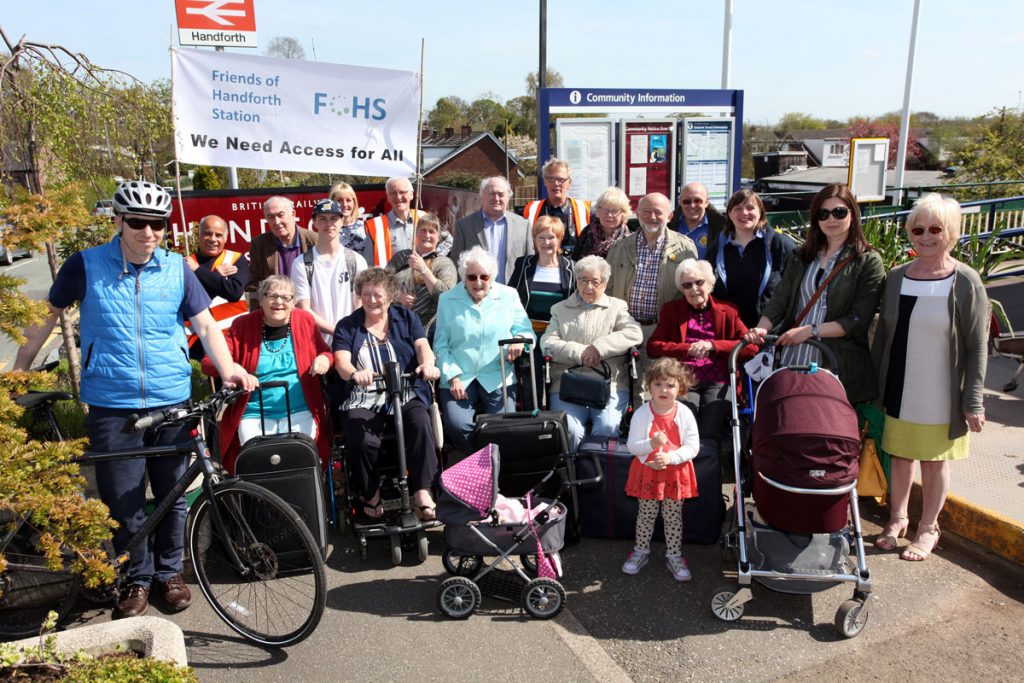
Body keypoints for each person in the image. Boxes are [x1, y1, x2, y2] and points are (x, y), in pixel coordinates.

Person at [14, 180, 257, 619]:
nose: (149, 232)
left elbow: (205, 325)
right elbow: (45, 318)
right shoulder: (85, 265)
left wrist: (229, 368)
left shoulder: (177, 268)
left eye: (158, 224)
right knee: (123, 501)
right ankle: (136, 577)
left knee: (172, 494)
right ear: (118, 222)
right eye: (139, 223)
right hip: (113, 403)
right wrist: (19, 370)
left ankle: (169, 573)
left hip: (171, 398)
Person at [871, 193, 988, 562]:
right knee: (900, 457)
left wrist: (972, 400)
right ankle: (898, 519)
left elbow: (977, 345)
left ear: (950, 232)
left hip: (941, 391)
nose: (925, 236)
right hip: (900, 386)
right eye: (917, 229)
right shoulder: (896, 278)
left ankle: (928, 528)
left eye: (935, 229)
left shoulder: (965, 281)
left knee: (935, 462)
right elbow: (883, 337)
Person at [743, 183, 884, 405]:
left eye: (839, 212)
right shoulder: (803, 256)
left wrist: (810, 331)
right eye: (823, 214)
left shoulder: (867, 262)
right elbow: (781, 299)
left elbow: (857, 320)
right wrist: (761, 328)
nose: (831, 219)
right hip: (794, 357)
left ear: (853, 214)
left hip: (835, 364)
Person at [332, 268, 441, 520]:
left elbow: (422, 346)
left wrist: (427, 365)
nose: (371, 300)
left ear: (390, 296)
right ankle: (370, 494)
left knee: (420, 423)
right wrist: (354, 373)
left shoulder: (407, 318)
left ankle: (422, 491)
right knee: (361, 439)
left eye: (377, 294)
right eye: (366, 294)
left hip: (404, 390)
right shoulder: (347, 326)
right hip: (364, 395)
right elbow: (341, 361)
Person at [201, 275, 333, 472]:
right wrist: (233, 368)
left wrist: (324, 359)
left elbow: (326, 352)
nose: (279, 302)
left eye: (286, 297)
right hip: (254, 412)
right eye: (272, 296)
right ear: (261, 299)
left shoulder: (305, 320)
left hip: (300, 409)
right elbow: (209, 362)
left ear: (293, 302)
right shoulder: (242, 325)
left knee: (299, 460)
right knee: (258, 462)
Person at [434, 246, 534, 453]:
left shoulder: (508, 295)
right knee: (457, 425)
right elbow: (440, 344)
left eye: (484, 277)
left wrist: (518, 340)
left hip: (497, 374)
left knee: (502, 426)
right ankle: (480, 460)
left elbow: (527, 332)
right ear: (463, 277)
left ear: (492, 277)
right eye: (471, 277)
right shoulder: (447, 299)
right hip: (459, 376)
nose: (478, 282)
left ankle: (491, 463)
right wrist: (452, 377)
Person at [541, 255, 643, 450]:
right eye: (583, 280)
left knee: (607, 427)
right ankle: (572, 468)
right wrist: (581, 353)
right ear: (576, 281)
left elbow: (634, 333)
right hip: (567, 384)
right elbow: (547, 342)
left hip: (610, 384)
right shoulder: (560, 309)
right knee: (570, 430)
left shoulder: (617, 307)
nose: (588, 286)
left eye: (595, 281)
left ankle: (596, 467)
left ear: (604, 284)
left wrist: (598, 348)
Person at [648, 259, 756, 440]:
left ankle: (708, 459)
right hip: (683, 380)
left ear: (709, 284)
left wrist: (713, 345)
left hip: (719, 380)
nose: (694, 289)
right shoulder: (671, 310)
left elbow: (750, 347)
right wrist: (687, 348)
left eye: (699, 282)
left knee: (710, 427)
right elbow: (653, 347)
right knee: (685, 422)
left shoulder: (729, 311)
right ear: (681, 289)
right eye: (687, 285)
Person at [621, 358, 700, 581]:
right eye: (658, 384)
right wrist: (651, 447)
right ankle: (640, 551)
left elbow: (693, 446)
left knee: (673, 517)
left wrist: (670, 457)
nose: (663, 390)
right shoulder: (641, 413)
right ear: (649, 386)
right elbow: (632, 446)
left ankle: (674, 555)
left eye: (670, 385)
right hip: (648, 472)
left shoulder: (684, 413)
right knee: (646, 515)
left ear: (680, 388)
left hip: (675, 473)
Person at [606, 192, 698, 372]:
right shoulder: (619, 247)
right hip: (624, 328)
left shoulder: (685, 248)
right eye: (646, 211)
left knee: (659, 382)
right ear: (637, 213)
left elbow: (693, 290)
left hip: (662, 331)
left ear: (669, 216)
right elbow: (607, 288)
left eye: (658, 212)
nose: (652, 217)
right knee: (626, 381)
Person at [705, 189, 796, 328]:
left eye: (750, 208)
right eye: (738, 208)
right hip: (728, 330)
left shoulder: (780, 245)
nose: (744, 213)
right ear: (729, 214)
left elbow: (793, 288)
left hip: (768, 331)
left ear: (760, 213)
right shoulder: (716, 248)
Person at [290, 198, 368, 345]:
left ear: (342, 221)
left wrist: (349, 333)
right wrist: (338, 331)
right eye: (322, 219)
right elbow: (303, 309)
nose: (329, 224)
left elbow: (361, 303)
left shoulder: (356, 260)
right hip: (316, 345)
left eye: (334, 218)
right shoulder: (301, 263)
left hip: (352, 342)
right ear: (314, 223)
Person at [185, 214, 250, 360]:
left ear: (225, 238)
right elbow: (187, 301)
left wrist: (199, 271)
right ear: (199, 235)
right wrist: (216, 276)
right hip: (198, 341)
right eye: (208, 234)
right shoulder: (187, 263)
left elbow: (233, 292)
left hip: (234, 336)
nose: (213, 239)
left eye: (218, 235)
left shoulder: (235, 259)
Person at [450, 176, 532, 284]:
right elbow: (456, 263)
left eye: (501, 194)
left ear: (508, 197)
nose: (496, 198)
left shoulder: (523, 225)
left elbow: (530, 262)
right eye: (492, 194)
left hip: (512, 291)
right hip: (477, 291)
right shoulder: (464, 225)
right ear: (481, 196)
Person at [386, 213, 457, 332]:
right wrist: (399, 296)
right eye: (423, 230)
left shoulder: (445, 264)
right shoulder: (401, 257)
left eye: (432, 232)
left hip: (428, 329)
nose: (427, 235)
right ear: (416, 233)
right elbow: (382, 285)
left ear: (438, 237)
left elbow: (446, 297)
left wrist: (424, 270)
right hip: (396, 325)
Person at [508, 215, 576, 335]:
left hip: (560, 332)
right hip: (526, 331)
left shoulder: (572, 268)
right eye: (541, 238)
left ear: (559, 239)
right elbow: (510, 297)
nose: (546, 242)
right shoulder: (522, 264)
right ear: (534, 240)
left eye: (551, 237)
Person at [246, 196, 316, 305]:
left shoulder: (315, 241)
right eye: (270, 217)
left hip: (310, 309)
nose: (276, 222)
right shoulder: (259, 245)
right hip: (276, 310)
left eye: (280, 215)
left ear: (293, 214)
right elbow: (254, 285)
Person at [364, 177, 443, 266]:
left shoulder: (424, 217)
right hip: (391, 275)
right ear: (388, 197)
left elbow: (447, 240)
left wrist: (436, 259)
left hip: (423, 274)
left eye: (402, 192)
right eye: (393, 193)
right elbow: (369, 264)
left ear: (412, 195)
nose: (398, 197)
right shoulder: (375, 226)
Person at [523, 158, 591, 255]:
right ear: (545, 182)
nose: (555, 183)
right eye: (551, 179)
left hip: (575, 263)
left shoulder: (585, 210)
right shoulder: (531, 209)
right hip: (541, 262)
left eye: (560, 179)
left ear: (569, 182)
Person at [667, 182, 726, 259]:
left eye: (697, 201)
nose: (692, 205)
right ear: (680, 202)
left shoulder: (723, 227)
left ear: (707, 202)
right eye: (687, 201)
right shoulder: (668, 225)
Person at [574, 187, 634, 261]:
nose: (609, 215)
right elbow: (575, 260)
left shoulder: (629, 239)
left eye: (614, 211)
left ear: (623, 213)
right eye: (605, 210)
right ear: (598, 211)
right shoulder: (587, 232)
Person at [329, 181, 374, 265]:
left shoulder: (366, 227)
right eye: (339, 200)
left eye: (348, 200)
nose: (344, 204)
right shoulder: (328, 229)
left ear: (354, 203)